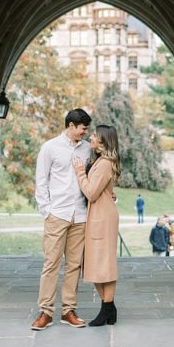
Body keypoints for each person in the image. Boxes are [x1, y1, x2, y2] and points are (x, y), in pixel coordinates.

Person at [31, 108, 93, 330]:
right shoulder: (50, 148)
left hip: (80, 215)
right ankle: (45, 312)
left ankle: (69, 310)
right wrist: (46, 211)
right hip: (57, 214)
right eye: (82, 129)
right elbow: (41, 180)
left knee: (74, 265)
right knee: (51, 264)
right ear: (71, 126)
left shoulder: (87, 149)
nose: (85, 133)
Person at [73, 123, 120, 327]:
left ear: (102, 141)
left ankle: (107, 308)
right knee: (94, 264)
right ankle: (109, 308)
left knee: (104, 265)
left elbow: (91, 193)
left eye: (94, 135)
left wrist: (80, 172)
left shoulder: (105, 163)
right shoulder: (101, 161)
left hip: (102, 217)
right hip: (99, 215)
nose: (90, 137)